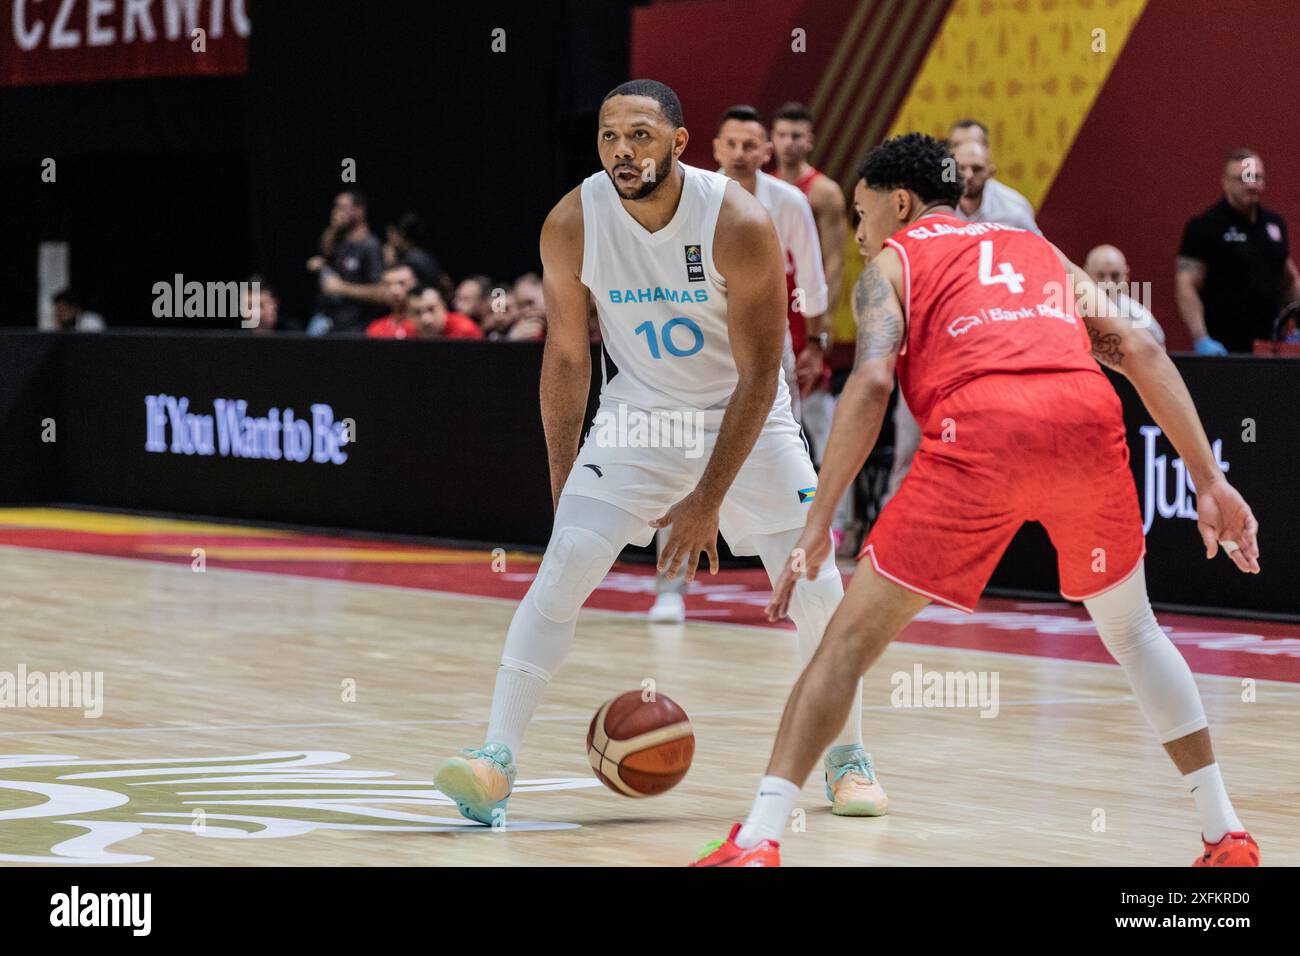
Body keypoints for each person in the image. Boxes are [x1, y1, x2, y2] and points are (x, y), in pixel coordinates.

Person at [694, 133, 1261, 867]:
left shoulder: (890, 267)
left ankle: (760, 838)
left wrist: (817, 520)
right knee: (1136, 633)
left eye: (862, 218)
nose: (861, 238)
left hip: (981, 430)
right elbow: (1140, 351)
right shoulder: (1032, 246)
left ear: (898, 203)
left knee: (845, 645)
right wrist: (1207, 478)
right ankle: (1226, 834)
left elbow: (868, 387)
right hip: (1086, 420)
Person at [433, 79, 881, 827]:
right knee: (569, 555)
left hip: (748, 418)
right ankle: (494, 761)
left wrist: (706, 502)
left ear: (677, 143)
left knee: (814, 586)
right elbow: (569, 358)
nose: (622, 151)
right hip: (640, 416)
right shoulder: (573, 222)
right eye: (609, 136)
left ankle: (849, 758)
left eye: (640, 136)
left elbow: (755, 376)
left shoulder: (737, 221)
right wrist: (562, 482)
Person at [1176, 149, 1300, 354]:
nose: (1252, 185)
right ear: (1225, 182)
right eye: (1244, 178)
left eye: (1257, 177)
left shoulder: (1274, 225)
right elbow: (1186, 286)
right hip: (1224, 349)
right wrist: (1201, 337)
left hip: (1269, 349)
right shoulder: (1204, 226)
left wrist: (1298, 325)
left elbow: (1290, 279)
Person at [305, 190, 385, 335]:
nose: (337, 212)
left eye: (342, 207)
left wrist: (342, 288)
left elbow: (380, 292)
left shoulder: (370, 245)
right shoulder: (342, 240)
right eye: (335, 207)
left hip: (354, 327)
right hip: (328, 320)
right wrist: (334, 228)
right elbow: (326, 249)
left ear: (359, 211)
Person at [948, 120, 1041, 234]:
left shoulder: (1013, 208)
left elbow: (1037, 247)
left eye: (975, 143)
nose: (969, 175)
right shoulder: (932, 204)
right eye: (957, 145)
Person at [1083, 244, 1165, 346]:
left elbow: (1157, 356)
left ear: (1126, 276)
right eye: (1100, 276)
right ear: (1085, 274)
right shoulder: (1070, 313)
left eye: (1115, 276)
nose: (1108, 283)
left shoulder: (1139, 317)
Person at [406, 286, 483, 339]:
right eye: (417, 312)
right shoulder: (407, 331)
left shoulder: (466, 331)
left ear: (443, 306)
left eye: (431, 309)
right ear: (409, 314)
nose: (426, 319)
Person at [365, 264, 419, 338]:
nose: (394, 290)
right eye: (388, 285)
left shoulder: (428, 321)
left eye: (402, 283)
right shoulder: (376, 329)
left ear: (415, 284)